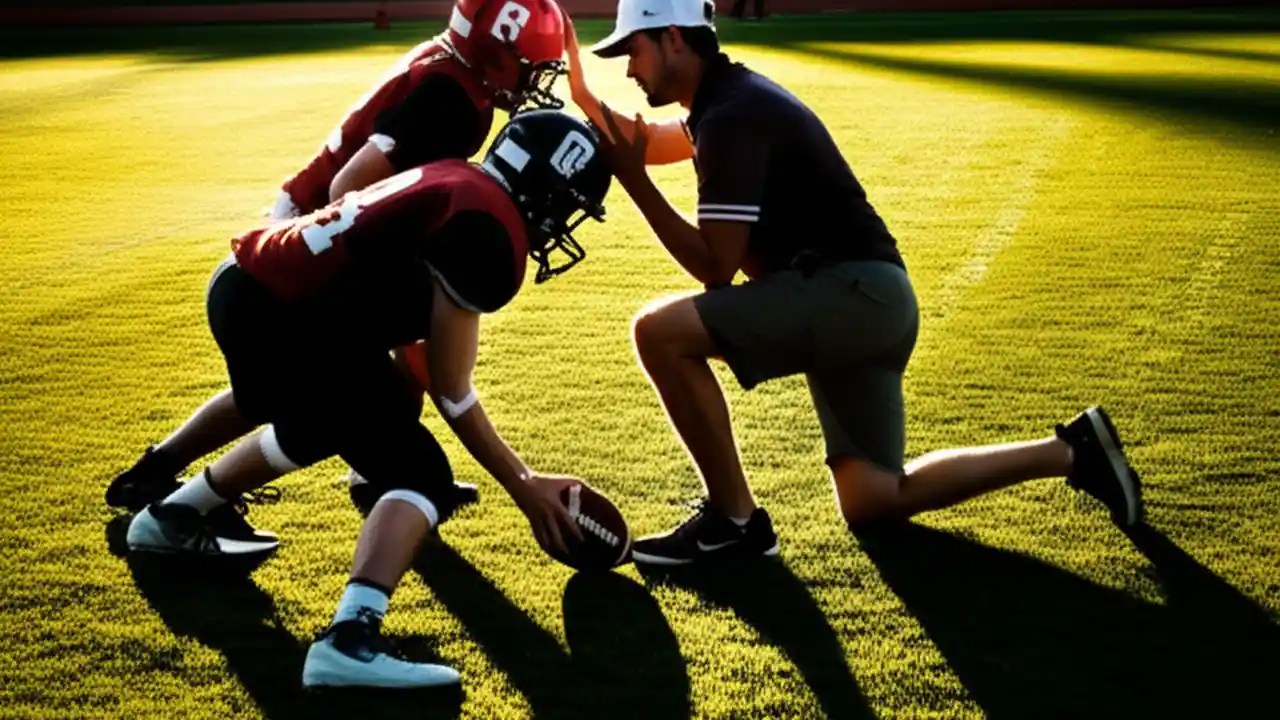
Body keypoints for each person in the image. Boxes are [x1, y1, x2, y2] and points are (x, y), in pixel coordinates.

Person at [560, 0, 1143, 566]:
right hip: (875, 300)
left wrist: (635, 183)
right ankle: (1070, 451)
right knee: (873, 498)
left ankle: (735, 522)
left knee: (658, 333)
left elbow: (715, 267)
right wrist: (582, 97)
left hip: (849, 293)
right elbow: (641, 141)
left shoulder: (731, 115)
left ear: (673, 39)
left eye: (633, 50)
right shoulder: (729, 101)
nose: (629, 70)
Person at [123, 109, 612, 689]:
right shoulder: (487, 227)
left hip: (249, 289)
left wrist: (392, 415)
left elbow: (404, 335)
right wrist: (522, 482)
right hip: (281, 315)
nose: (564, 225)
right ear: (547, 193)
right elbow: (453, 391)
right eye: (570, 207)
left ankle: (173, 516)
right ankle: (350, 640)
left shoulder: (458, 179)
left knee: (329, 423)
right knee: (419, 473)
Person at [106, 0, 570, 520]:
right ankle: (184, 511)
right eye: (529, 66)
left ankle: (155, 472)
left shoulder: (450, 69)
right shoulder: (455, 100)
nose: (535, 81)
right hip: (313, 240)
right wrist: (371, 269)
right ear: (495, 51)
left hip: (304, 233)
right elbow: (349, 185)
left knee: (275, 390)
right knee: (317, 400)